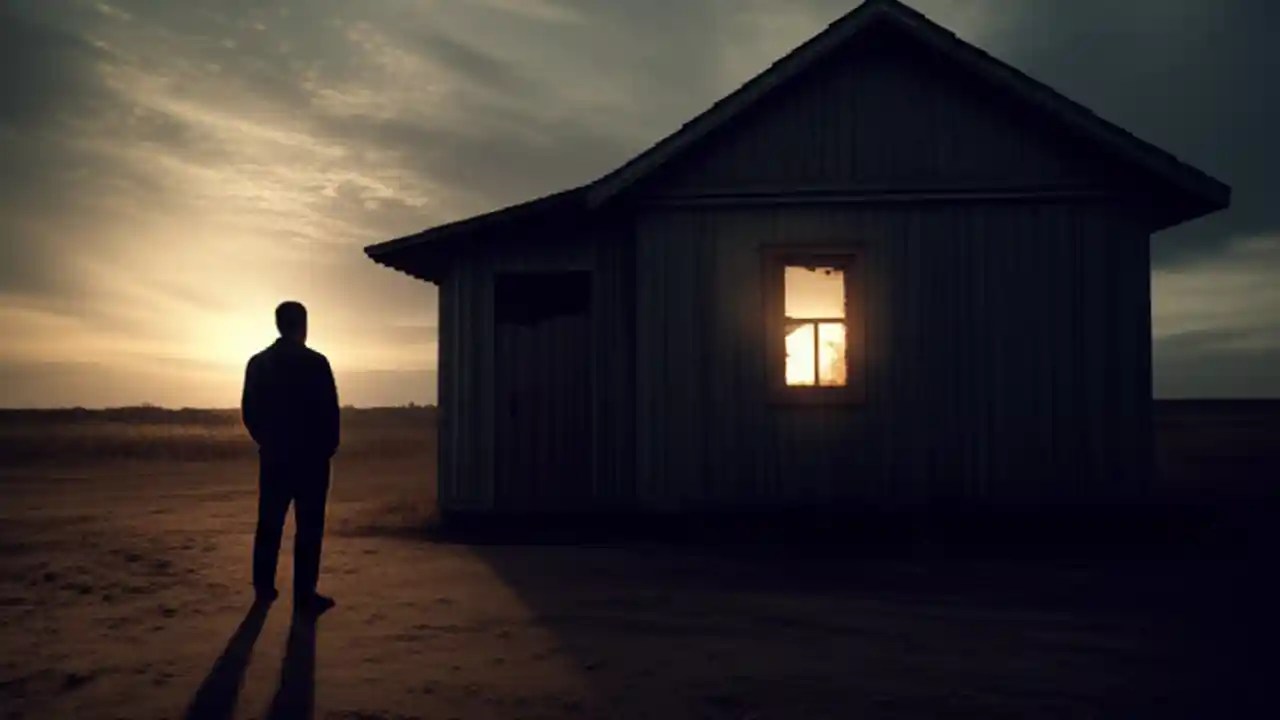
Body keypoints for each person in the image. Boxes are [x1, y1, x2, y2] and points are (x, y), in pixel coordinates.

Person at [241, 301, 339, 614]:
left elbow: (249, 412)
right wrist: (326, 448)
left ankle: (263, 588)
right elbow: (330, 412)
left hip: (275, 457)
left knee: (269, 523)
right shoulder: (316, 363)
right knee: (309, 529)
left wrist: (268, 441)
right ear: (303, 325)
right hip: (311, 460)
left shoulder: (259, 363)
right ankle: (304, 595)